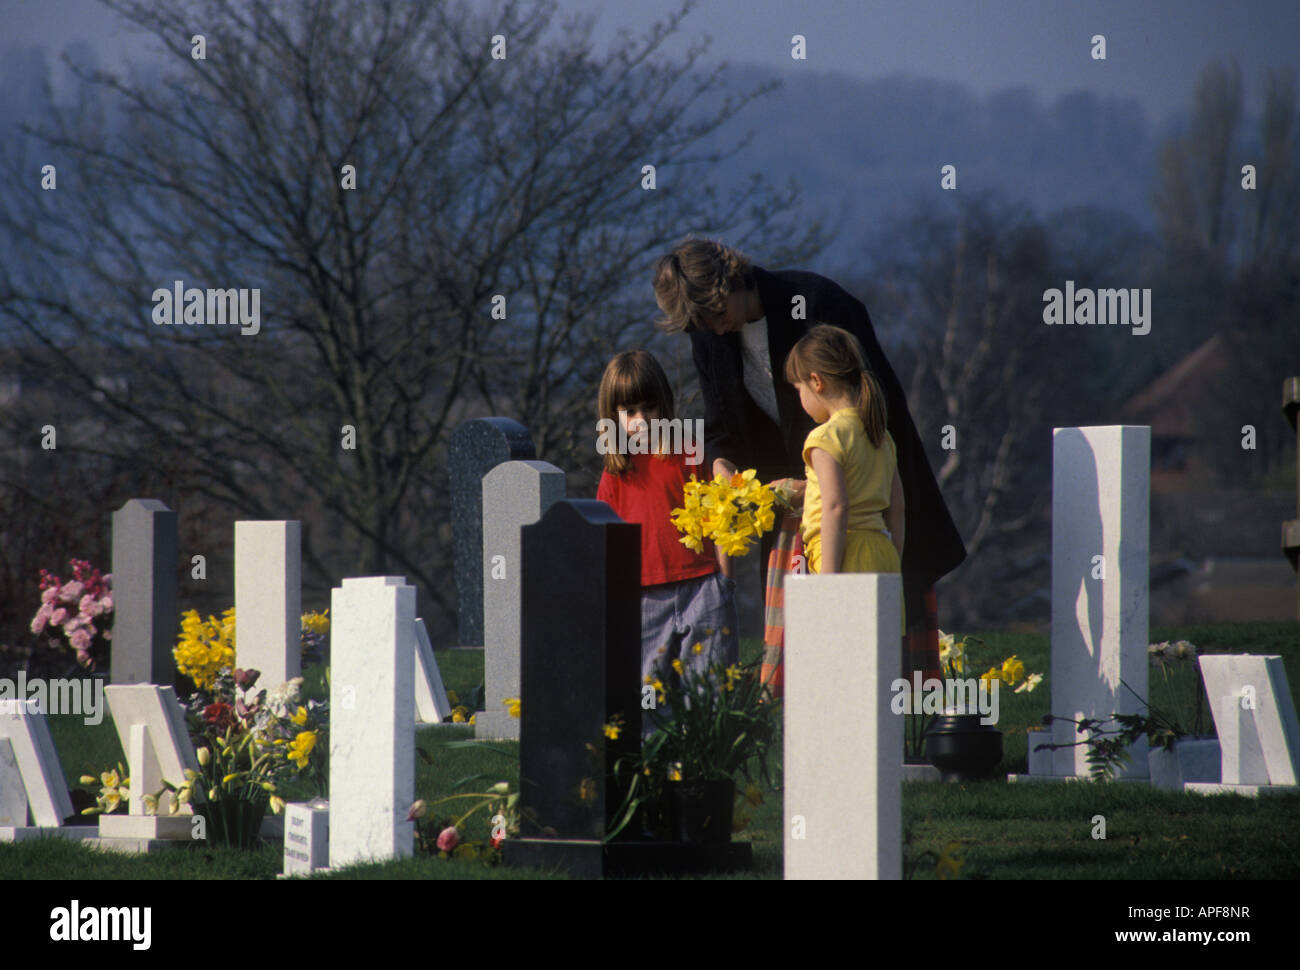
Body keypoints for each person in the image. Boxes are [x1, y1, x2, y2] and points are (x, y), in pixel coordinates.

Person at [652, 237, 966, 694]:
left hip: (860, 505)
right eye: (703, 323)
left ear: (733, 282)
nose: (716, 330)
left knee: (877, 651)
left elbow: (876, 412)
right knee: (805, 657)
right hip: (788, 510)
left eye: (717, 315)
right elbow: (721, 425)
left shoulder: (818, 304)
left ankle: (898, 742)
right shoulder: (709, 335)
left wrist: (820, 481)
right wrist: (722, 465)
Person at [594, 350, 740, 733]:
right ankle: (655, 783)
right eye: (629, 411)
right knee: (646, 705)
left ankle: (704, 782)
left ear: (665, 403)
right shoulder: (614, 474)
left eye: (649, 407)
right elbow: (606, 544)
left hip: (702, 589)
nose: (641, 419)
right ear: (613, 416)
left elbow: (717, 517)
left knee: (709, 695)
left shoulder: (689, 452)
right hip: (641, 602)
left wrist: (724, 581)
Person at [784, 326, 905, 627]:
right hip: (883, 556)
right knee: (881, 666)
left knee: (842, 665)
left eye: (799, 389)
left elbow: (836, 506)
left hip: (843, 559)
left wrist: (828, 583)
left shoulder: (824, 438)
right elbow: (898, 508)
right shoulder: (881, 435)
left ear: (816, 382)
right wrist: (894, 562)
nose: (799, 398)